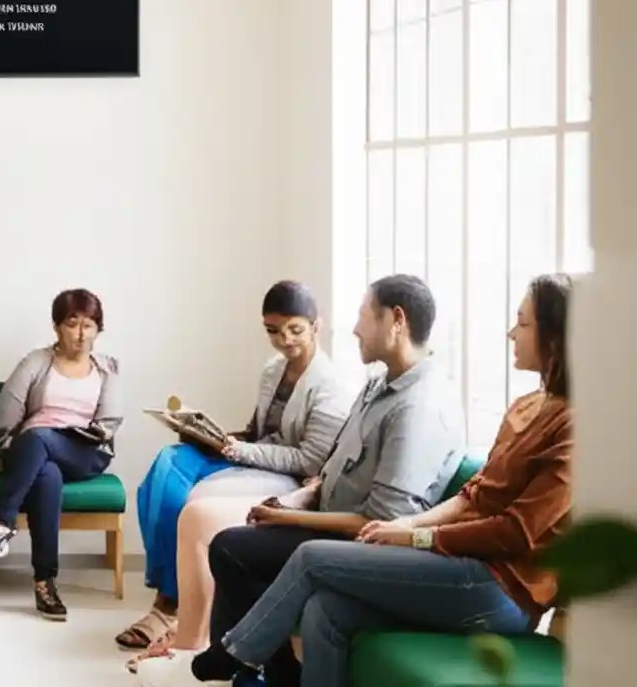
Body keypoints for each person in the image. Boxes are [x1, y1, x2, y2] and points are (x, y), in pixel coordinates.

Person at [189, 274, 575, 687]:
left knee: (310, 557)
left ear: (555, 336)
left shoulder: (573, 424)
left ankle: (234, 654)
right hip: (457, 562)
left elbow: (517, 531)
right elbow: (474, 494)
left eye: (523, 322)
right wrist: (409, 526)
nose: (511, 332)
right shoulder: (526, 406)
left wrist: (419, 537)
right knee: (324, 611)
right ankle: (247, 660)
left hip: (499, 589)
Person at [136, 273, 466, 686]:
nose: (355, 328)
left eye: (364, 315)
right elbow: (329, 471)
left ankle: (230, 664)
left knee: (233, 550)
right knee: (229, 540)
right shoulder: (379, 384)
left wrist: (289, 518)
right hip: (328, 515)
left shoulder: (419, 407)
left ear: (396, 320)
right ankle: (254, 669)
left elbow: (381, 523)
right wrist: (295, 502)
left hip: (364, 544)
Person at [117, 282, 354, 654]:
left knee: (190, 497)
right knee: (167, 465)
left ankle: (169, 603)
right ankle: (169, 592)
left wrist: (239, 450)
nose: (284, 340)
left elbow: (310, 459)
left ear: (316, 326)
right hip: (253, 454)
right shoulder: (273, 370)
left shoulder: (330, 385)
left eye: (295, 329)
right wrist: (208, 435)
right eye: (273, 331)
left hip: (289, 474)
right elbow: (258, 430)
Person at [0, 288, 123, 621]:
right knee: (47, 474)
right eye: (72, 324)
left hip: (84, 452)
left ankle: (0, 523)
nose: (80, 334)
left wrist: (77, 434)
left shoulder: (106, 369)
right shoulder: (36, 362)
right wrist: (14, 445)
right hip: (34, 451)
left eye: (88, 326)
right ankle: (45, 583)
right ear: (57, 327)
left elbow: (108, 423)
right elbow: (8, 412)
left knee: (40, 437)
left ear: (98, 330)